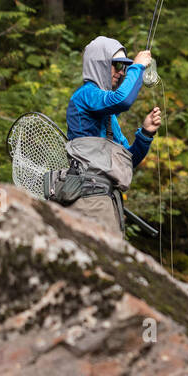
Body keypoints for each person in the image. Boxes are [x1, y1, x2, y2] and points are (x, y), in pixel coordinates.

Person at [61, 35, 162, 238]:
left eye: (125, 67)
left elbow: (127, 162)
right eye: (116, 65)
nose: (121, 72)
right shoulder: (85, 95)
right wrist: (137, 67)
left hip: (105, 201)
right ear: (99, 64)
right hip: (88, 199)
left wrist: (145, 133)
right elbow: (122, 100)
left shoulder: (108, 116)